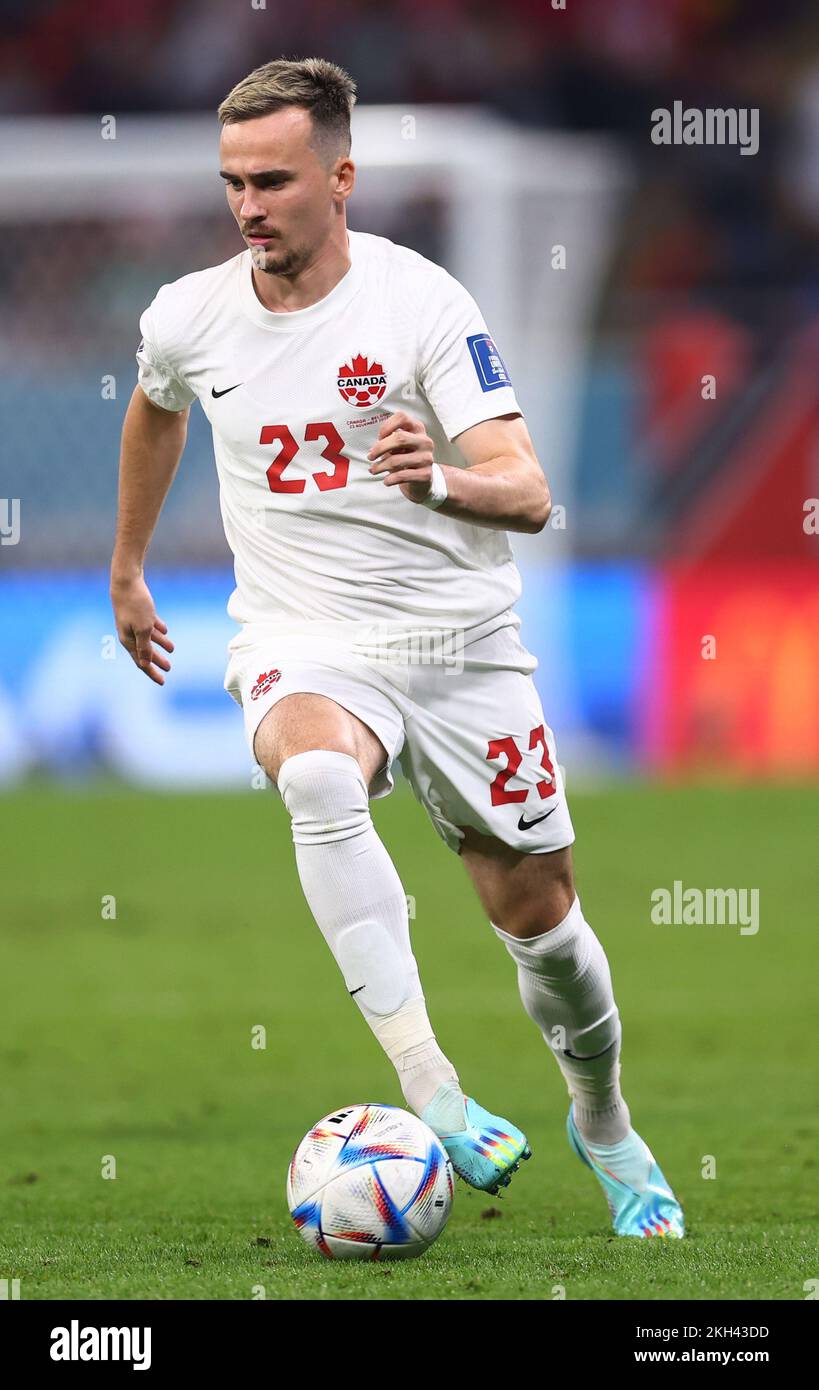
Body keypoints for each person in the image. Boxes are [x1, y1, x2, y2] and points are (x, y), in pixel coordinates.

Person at [110, 56, 683, 1237]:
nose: (249, 205)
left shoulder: (423, 303)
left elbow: (526, 494)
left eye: (273, 179)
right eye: (233, 183)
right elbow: (157, 401)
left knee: (544, 924)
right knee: (316, 773)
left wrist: (441, 482)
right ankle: (436, 1088)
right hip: (302, 635)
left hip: (460, 643)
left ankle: (605, 1119)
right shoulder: (190, 313)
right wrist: (128, 563)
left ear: (342, 176)